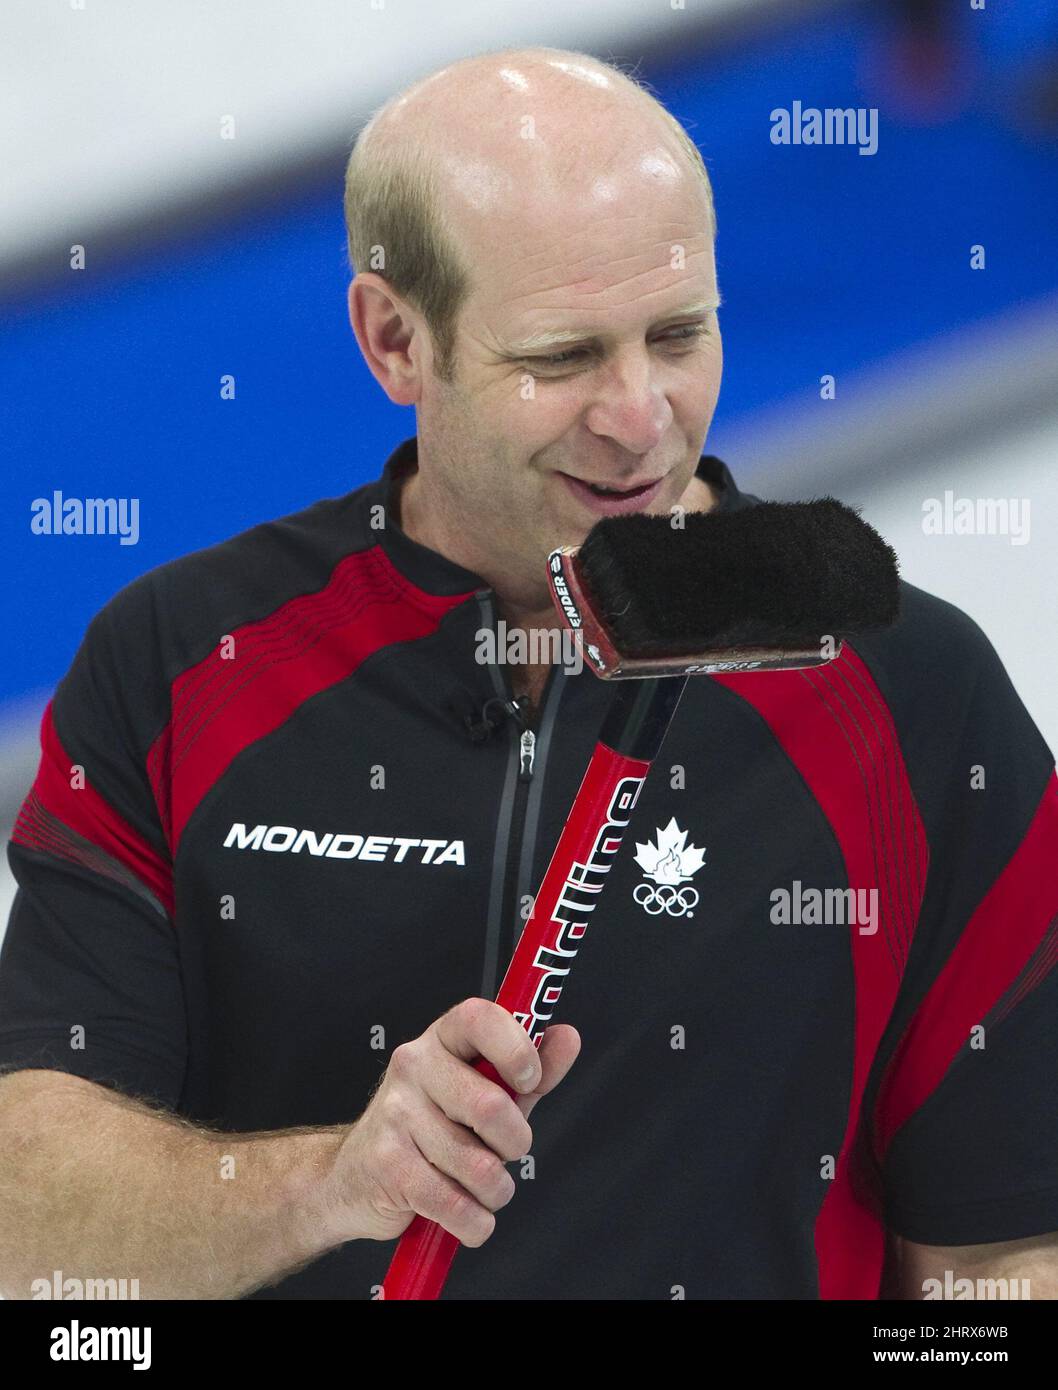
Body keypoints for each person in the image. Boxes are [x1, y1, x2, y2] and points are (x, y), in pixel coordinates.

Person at [1, 46, 1056, 1301]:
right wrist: (333, 1182)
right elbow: (31, 1228)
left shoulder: (904, 689)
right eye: (559, 358)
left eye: (678, 334)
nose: (638, 416)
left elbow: (1001, 1249)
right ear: (395, 340)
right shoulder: (184, 664)